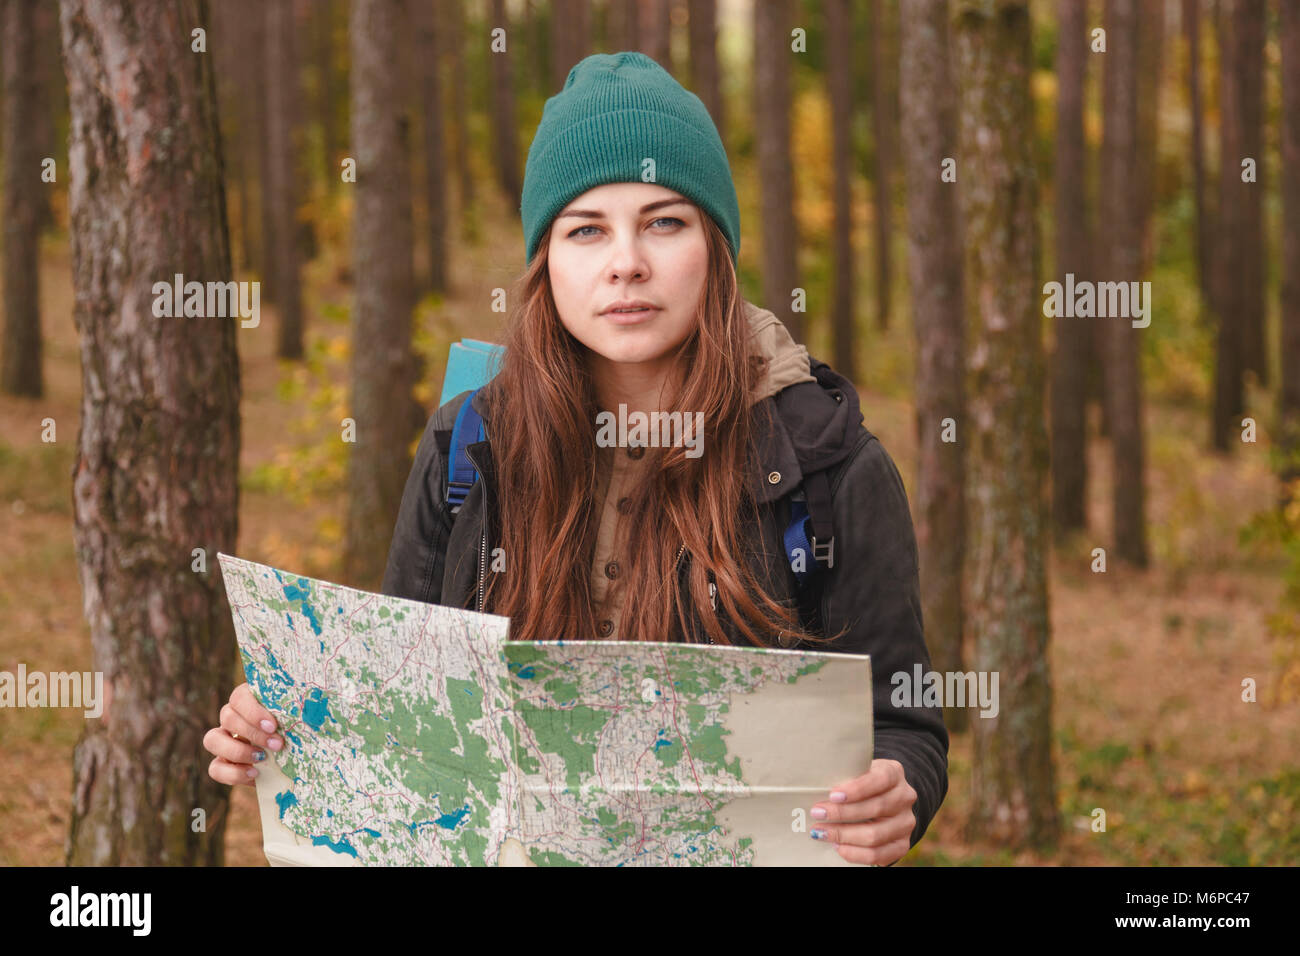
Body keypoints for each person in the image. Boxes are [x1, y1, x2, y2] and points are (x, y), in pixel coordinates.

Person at [205, 51, 947, 867]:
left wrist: (898, 790)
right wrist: (282, 730)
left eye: (665, 221)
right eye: (586, 229)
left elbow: (903, 723)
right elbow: (402, 710)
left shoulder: (827, 464)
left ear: (716, 247)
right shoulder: (468, 445)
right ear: (547, 261)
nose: (626, 261)